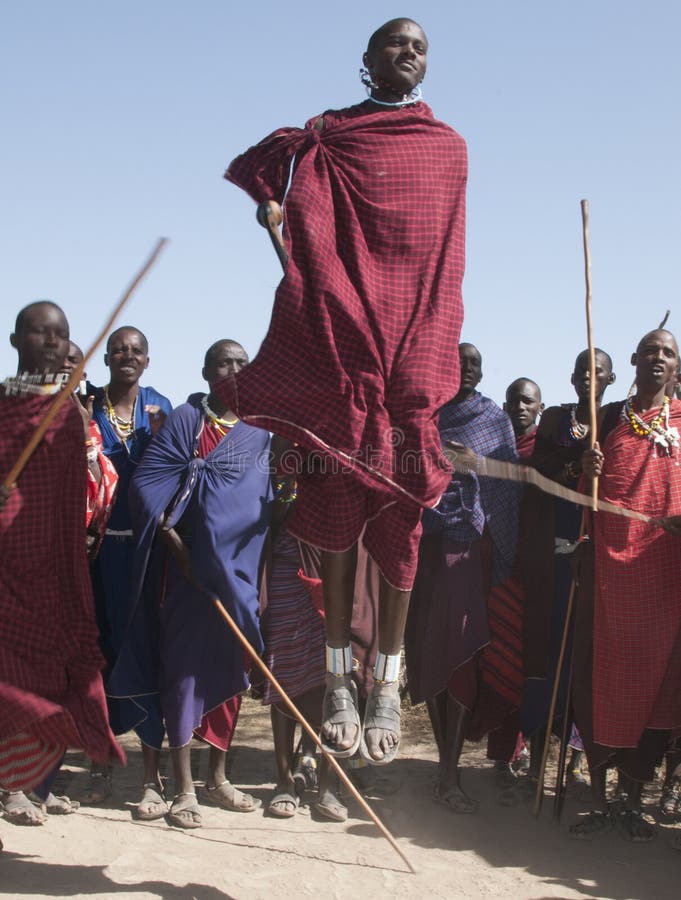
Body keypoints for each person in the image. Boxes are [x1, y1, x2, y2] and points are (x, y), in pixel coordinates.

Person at [215, 17, 467, 764]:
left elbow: (445, 257)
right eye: (394, 43)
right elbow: (319, 238)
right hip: (347, 341)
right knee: (334, 500)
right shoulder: (330, 138)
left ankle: (384, 681)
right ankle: (337, 680)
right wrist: (291, 226)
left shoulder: (447, 148)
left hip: (414, 335)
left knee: (402, 506)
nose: (408, 54)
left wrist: (427, 344)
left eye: (419, 45)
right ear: (365, 60)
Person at [108, 340, 271, 828]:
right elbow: (147, 486)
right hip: (184, 575)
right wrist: (180, 549)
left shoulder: (259, 433)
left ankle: (217, 778)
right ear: (205, 373)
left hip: (235, 576)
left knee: (229, 664)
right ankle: (182, 788)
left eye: (243, 363)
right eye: (225, 363)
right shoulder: (186, 420)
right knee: (180, 671)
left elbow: (261, 505)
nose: (236, 371)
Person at [0, 302, 123, 837]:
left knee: (42, 685)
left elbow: (74, 502)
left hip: (49, 577)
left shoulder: (70, 418)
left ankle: (19, 788)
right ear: (14, 340)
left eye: (62, 335)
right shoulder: (3, 407)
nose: (52, 343)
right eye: (40, 332)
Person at [572, 329, 681, 841]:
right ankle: (600, 797)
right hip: (612, 577)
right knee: (602, 678)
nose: (658, 358)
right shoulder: (609, 419)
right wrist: (587, 471)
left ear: (676, 366)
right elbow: (585, 503)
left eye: (669, 352)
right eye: (651, 351)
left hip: (667, 579)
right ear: (634, 361)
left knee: (661, 687)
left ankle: (634, 798)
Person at [404, 343, 519, 812]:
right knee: (430, 652)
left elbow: (508, 488)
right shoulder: (424, 417)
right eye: (459, 362)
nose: (467, 369)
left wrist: (474, 466)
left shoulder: (494, 420)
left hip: (470, 552)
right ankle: (443, 768)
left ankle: (450, 774)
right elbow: (404, 474)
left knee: (462, 655)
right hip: (424, 550)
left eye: (474, 363)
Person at [260, 440, 380, 820]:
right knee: (285, 670)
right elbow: (270, 501)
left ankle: (329, 785)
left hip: (343, 564)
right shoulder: (282, 434)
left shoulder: (353, 432)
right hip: (289, 564)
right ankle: (283, 781)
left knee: (340, 672)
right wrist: (289, 494)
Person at [83, 326, 172, 803]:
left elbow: (177, 475)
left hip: (145, 553)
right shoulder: (88, 406)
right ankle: (100, 767)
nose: (127, 355)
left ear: (147, 360)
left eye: (137, 350)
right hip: (96, 552)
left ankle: (151, 779)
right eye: (119, 349)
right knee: (100, 651)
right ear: (107, 357)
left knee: (146, 650)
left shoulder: (161, 407)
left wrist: (161, 439)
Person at [518, 349, 615, 782]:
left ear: (611, 380)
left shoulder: (615, 421)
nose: (589, 378)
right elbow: (539, 473)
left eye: (598, 373)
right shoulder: (556, 421)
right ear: (572, 378)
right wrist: (578, 464)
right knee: (545, 654)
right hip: (552, 557)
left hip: (594, 558)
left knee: (585, 659)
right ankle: (537, 763)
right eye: (582, 372)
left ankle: (575, 763)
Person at [504, 378, 544, 459]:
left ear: (541, 408)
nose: (520, 407)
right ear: (505, 407)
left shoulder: (547, 443)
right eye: (513, 401)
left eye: (527, 401)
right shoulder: (491, 442)